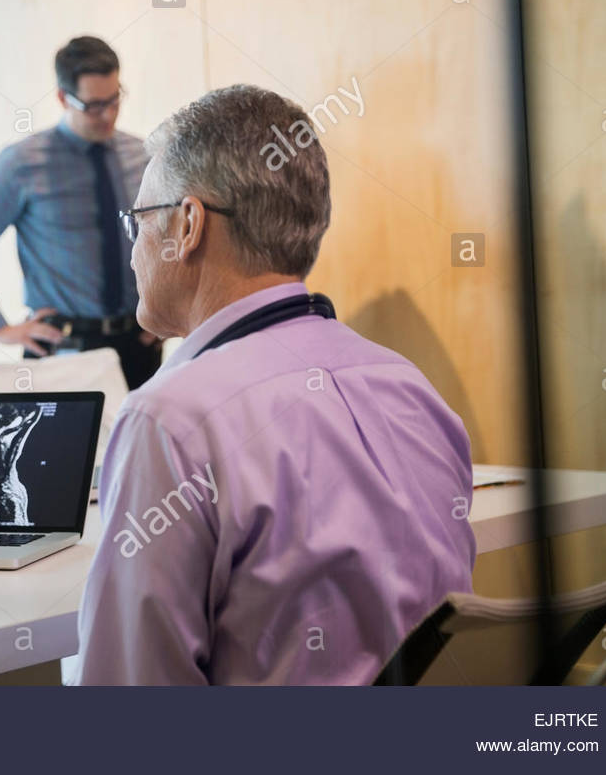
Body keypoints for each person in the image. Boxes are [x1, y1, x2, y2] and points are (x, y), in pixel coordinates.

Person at [74, 85, 476, 685]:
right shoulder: (410, 386)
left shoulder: (170, 420)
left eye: (139, 222)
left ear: (187, 225)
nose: (134, 253)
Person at [0, 36, 160, 389]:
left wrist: (167, 314)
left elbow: (170, 234)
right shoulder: (22, 164)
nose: (108, 114)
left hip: (140, 345)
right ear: (63, 98)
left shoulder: (144, 156)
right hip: (64, 350)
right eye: (93, 105)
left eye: (114, 99)